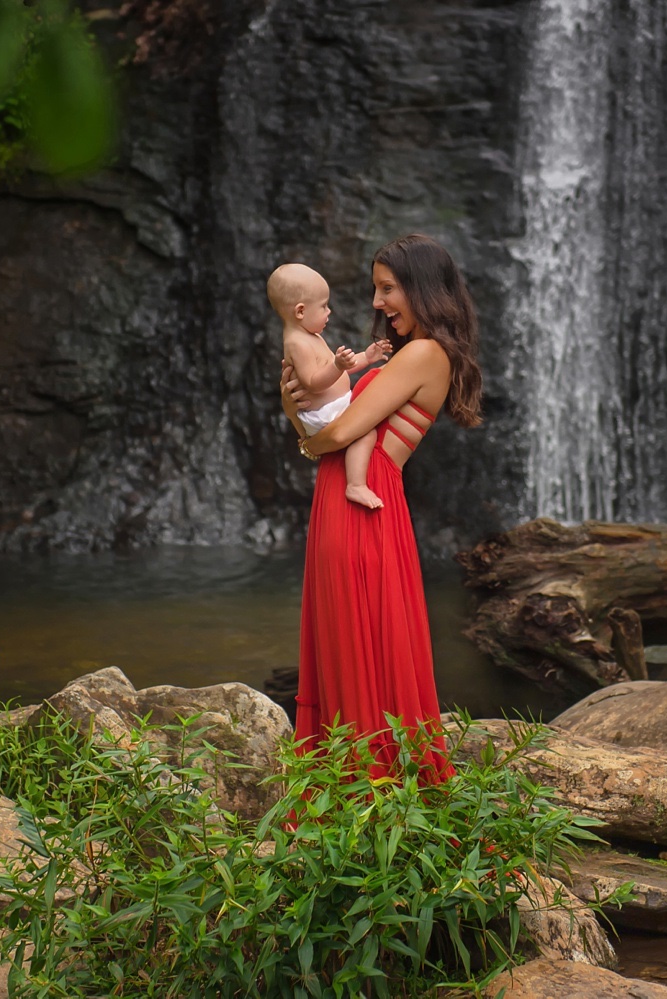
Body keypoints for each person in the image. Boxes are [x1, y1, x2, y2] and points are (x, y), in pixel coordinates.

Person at [280, 234, 484, 780]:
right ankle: (357, 805)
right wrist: (294, 410)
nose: (376, 302)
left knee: (358, 641)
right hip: (348, 499)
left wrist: (303, 434)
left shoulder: (423, 353)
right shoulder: (414, 353)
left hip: (362, 507)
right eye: (376, 288)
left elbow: (341, 429)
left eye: (388, 288)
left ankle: (368, 799)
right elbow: (324, 423)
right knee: (346, 644)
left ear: (422, 289)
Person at [267, 262, 394, 508]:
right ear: (300, 311)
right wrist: (337, 365)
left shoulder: (310, 335)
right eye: (324, 306)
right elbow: (313, 383)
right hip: (323, 415)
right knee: (364, 431)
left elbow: (339, 367)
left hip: (334, 408)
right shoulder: (297, 343)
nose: (329, 312)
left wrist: (366, 357)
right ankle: (355, 485)